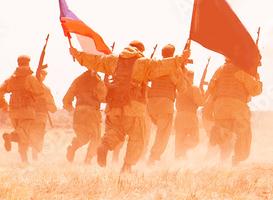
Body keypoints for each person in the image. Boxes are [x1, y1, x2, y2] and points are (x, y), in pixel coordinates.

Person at [69, 40, 190, 172]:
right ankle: (127, 166)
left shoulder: (114, 60)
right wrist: (181, 58)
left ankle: (105, 146)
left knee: (117, 131)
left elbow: (96, 61)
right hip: (133, 106)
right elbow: (161, 65)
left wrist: (77, 54)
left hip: (114, 105)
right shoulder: (142, 63)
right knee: (137, 137)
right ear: (140, 51)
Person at [206, 58, 263, 164]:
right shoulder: (242, 70)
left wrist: (222, 96)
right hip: (238, 106)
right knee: (243, 133)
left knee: (226, 134)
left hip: (220, 106)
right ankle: (237, 158)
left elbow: (211, 87)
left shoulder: (220, 69)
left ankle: (220, 135)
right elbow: (254, 90)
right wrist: (257, 79)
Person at [0, 55, 46, 164]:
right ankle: (10, 137)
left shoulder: (11, 78)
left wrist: (3, 104)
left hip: (13, 111)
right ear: (28, 63)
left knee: (21, 134)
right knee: (23, 133)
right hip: (27, 110)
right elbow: (40, 93)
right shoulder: (30, 78)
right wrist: (38, 83)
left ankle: (24, 161)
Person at [146, 45, 186, 165]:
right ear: (173, 54)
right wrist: (183, 72)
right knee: (163, 132)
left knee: (147, 129)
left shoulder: (155, 65)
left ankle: (141, 154)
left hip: (151, 103)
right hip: (165, 103)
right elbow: (182, 88)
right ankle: (153, 156)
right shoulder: (175, 68)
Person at [62, 66, 107, 163]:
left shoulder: (79, 79)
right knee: (96, 137)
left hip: (79, 111)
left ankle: (73, 147)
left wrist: (68, 104)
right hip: (92, 112)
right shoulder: (98, 80)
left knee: (82, 136)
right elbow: (104, 97)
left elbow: (68, 95)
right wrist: (107, 86)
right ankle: (88, 159)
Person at [174, 69, 204, 160]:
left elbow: (176, 104)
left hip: (179, 116)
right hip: (190, 116)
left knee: (179, 139)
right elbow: (201, 102)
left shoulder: (180, 89)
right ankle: (184, 148)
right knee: (194, 138)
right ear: (192, 77)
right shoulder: (194, 88)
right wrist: (202, 94)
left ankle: (178, 157)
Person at [30, 67, 57, 160]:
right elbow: (52, 107)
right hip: (38, 116)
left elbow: (52, 107)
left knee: (31, 135)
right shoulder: (45, 89)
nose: (43, 76)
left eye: (44, 75)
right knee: (38, 135)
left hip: (30, 115)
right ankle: (34, 154)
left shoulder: (29, 86)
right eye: (42, 74)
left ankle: (31, 154)